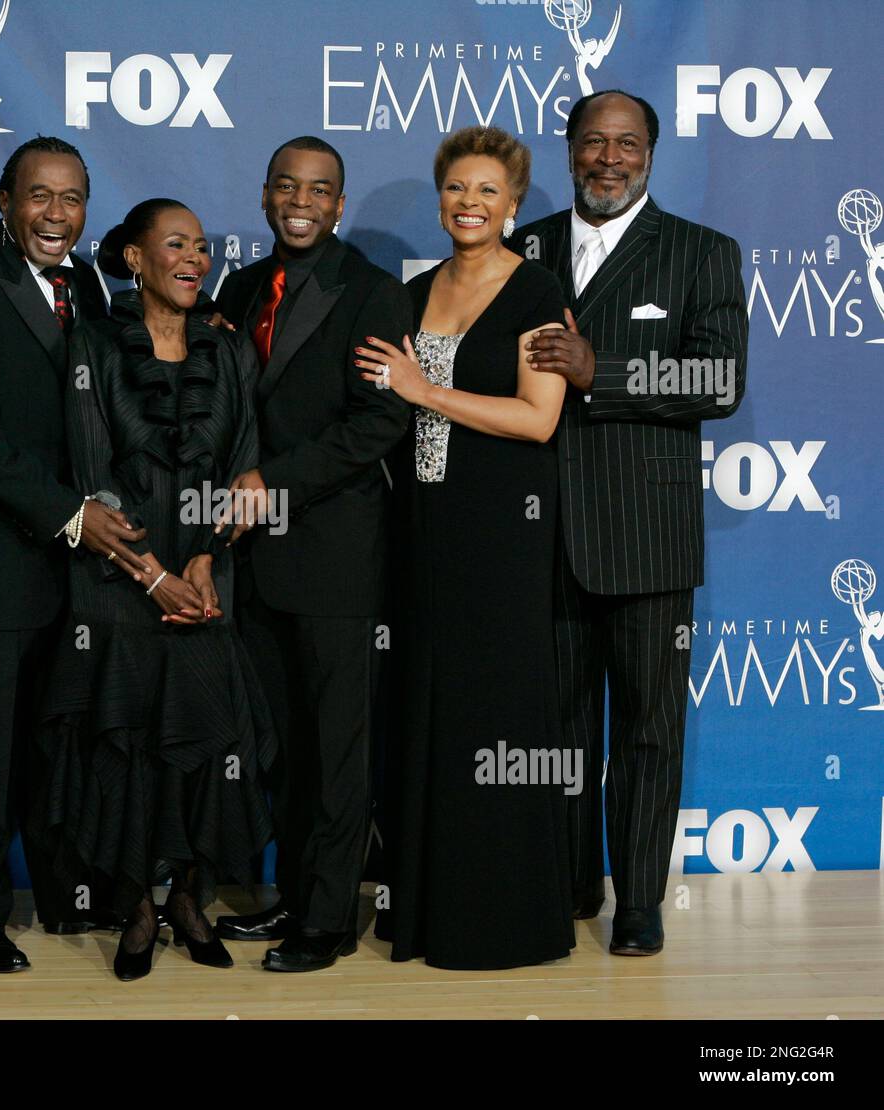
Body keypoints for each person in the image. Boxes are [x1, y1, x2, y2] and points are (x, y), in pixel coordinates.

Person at [506, 90, 747, 955]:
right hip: (539, 535)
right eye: (594, 142)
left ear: (651, 152)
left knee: (647, 729)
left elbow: (718, 382)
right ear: (569, 149)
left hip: (648, 536)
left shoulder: (701, 252)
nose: (609, 159)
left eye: (628, 143)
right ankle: (567, 885)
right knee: (556, 729)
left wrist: (599, 370)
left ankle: (638, 901)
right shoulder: (522, 250)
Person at [32, 199, 276, 981]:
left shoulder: (227, 348)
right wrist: (155, 576)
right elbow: (92, 476)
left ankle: (189, 901)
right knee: (130, 747)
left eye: (201, 247)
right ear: (135, 259)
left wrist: (203, 559)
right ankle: (136, 909)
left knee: (205, 744)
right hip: (119, 583)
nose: (194, 259)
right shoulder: (93, 344)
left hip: (207, 579)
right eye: (175, 244)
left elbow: (242, 462)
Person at [0, 137, 150, 974]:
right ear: (4, 202)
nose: (56, 215)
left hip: (74, 574)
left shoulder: (85, 284)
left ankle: (66, 897)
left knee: (58, 746)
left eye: (72, 198)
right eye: (39, 196)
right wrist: (68, 514)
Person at [357, 125, 575, 970]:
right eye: (456, 188)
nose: (470, 203)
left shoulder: (537, 291)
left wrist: (425, 390)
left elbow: (539, 418)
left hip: (501, 531)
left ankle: (500, 920)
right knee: (428, 708)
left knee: (493, 710)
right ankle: (423, 908)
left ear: (513, 205)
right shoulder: (414, 292)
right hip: (422, 529)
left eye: (488, 191)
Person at [213, 138, 411, 972]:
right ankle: (293, 897)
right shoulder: (240, 288)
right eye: (287, 187)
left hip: (334, 557)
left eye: (318, 190)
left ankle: (328, 919)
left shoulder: (370, 291)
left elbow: (379, 423)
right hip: (256, 562)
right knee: (285, 748)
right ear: (265, 195)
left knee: (336, 748)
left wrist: (272, 481)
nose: (301, 202)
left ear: (339, 205)